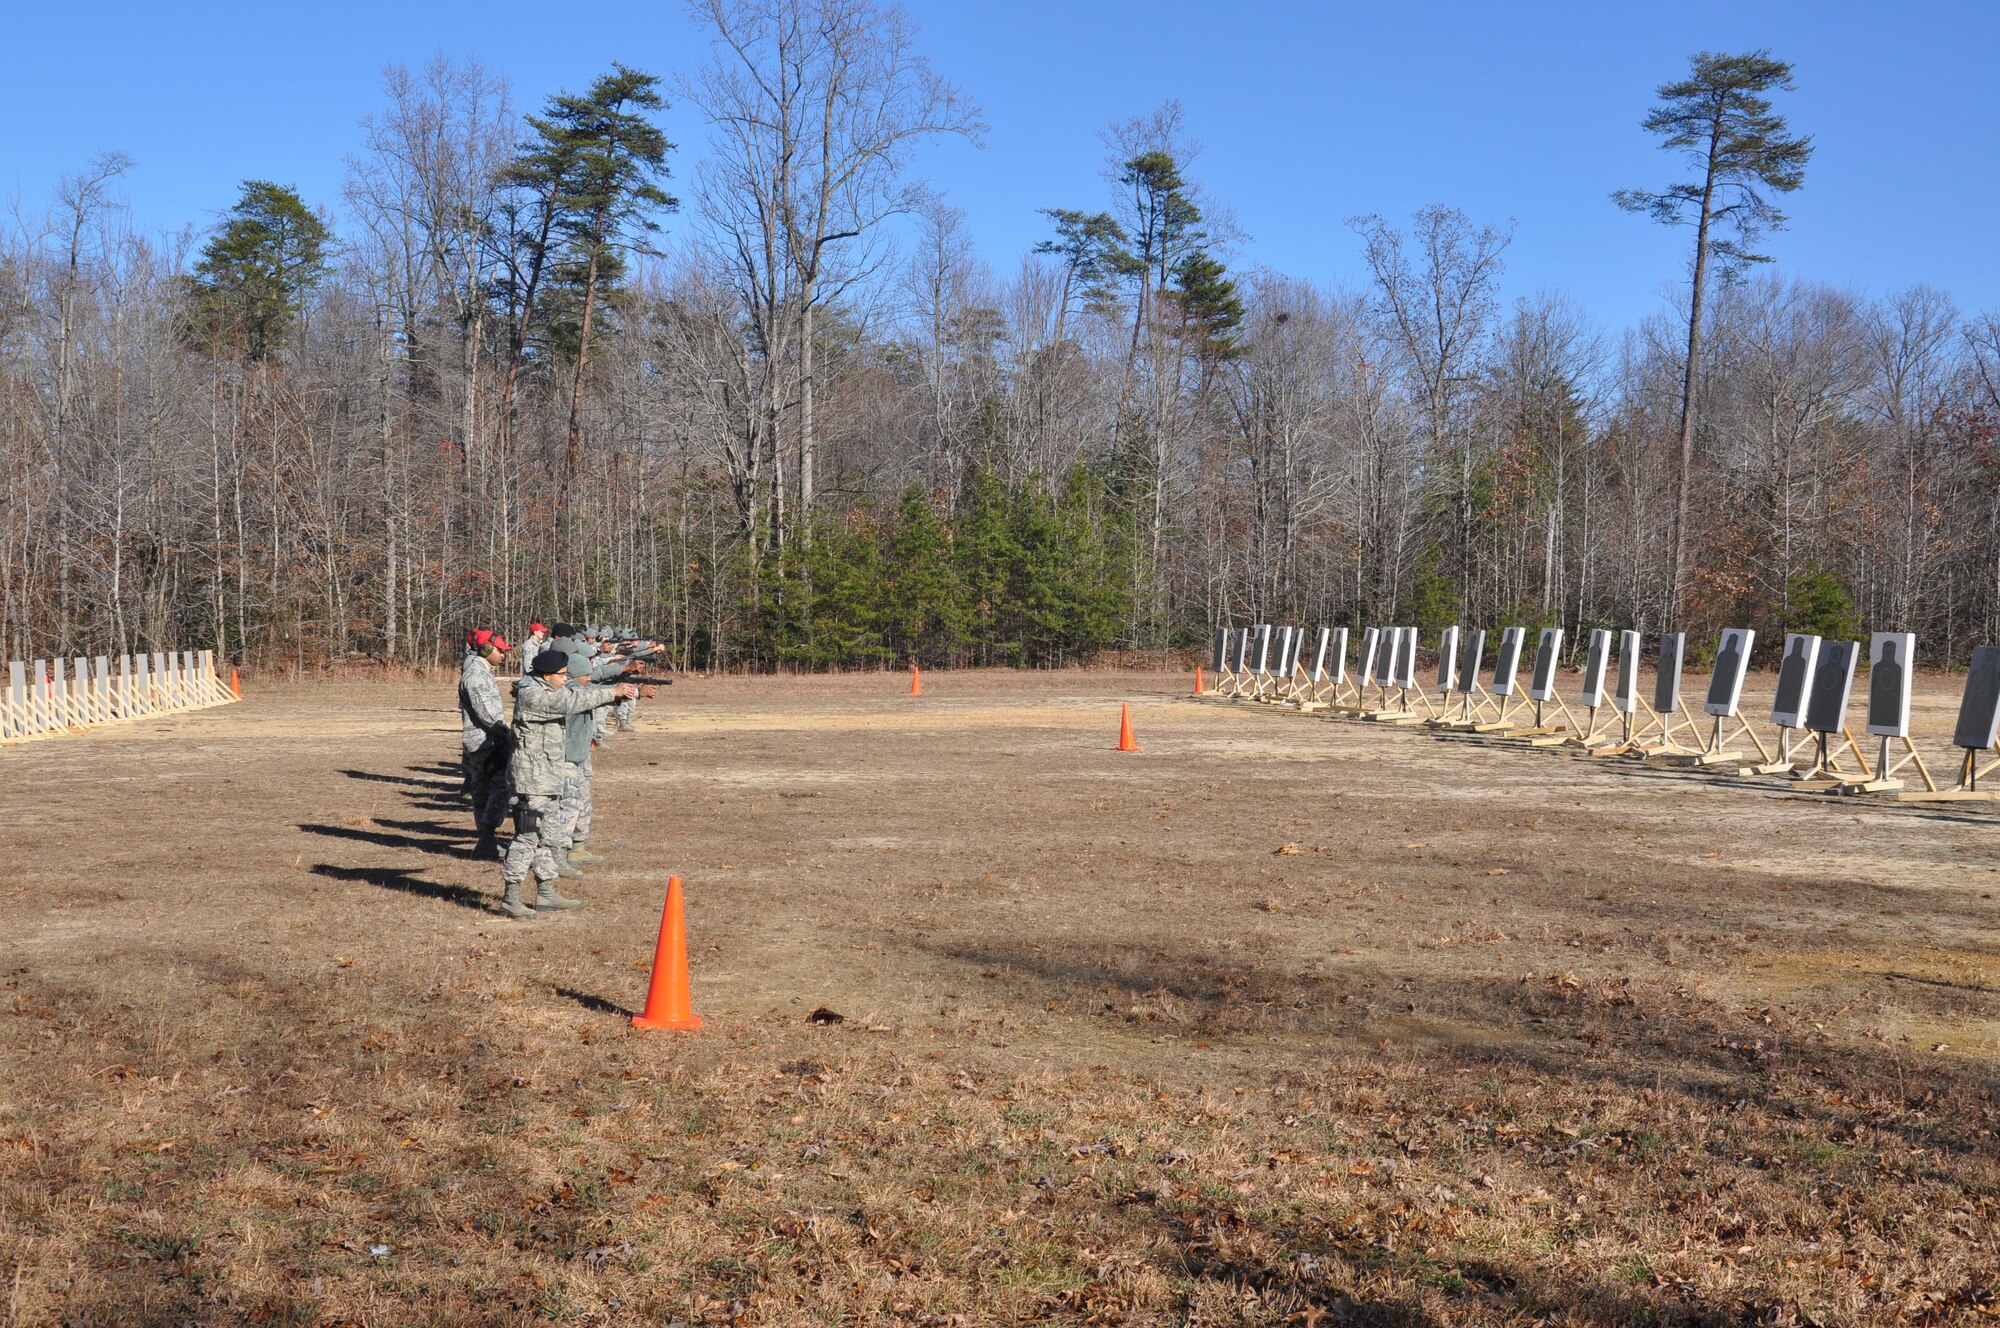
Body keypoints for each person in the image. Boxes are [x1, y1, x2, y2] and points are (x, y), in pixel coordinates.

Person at [499, 650, 635, 919]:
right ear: (547, 675)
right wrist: (612, 692)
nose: (565, 679)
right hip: (531, 781)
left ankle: (546, 891)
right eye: (562, 675)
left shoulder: (544, 686)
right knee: (527, 837)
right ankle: (510, 896)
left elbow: (577, 696)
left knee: (549, 837)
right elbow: (571, 701)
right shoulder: (534, 694)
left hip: (547, 777)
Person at [458, 630, 513, 860]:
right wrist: (507, 734)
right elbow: (487, 715)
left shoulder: (481, 671)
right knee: (499, 787)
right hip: (485, 742)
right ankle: (487, 837)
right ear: (487, 650)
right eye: (500, 650)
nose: (503, 655)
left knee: (483, 790)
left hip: (485, 741)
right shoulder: (476, 676)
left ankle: (486, 842)